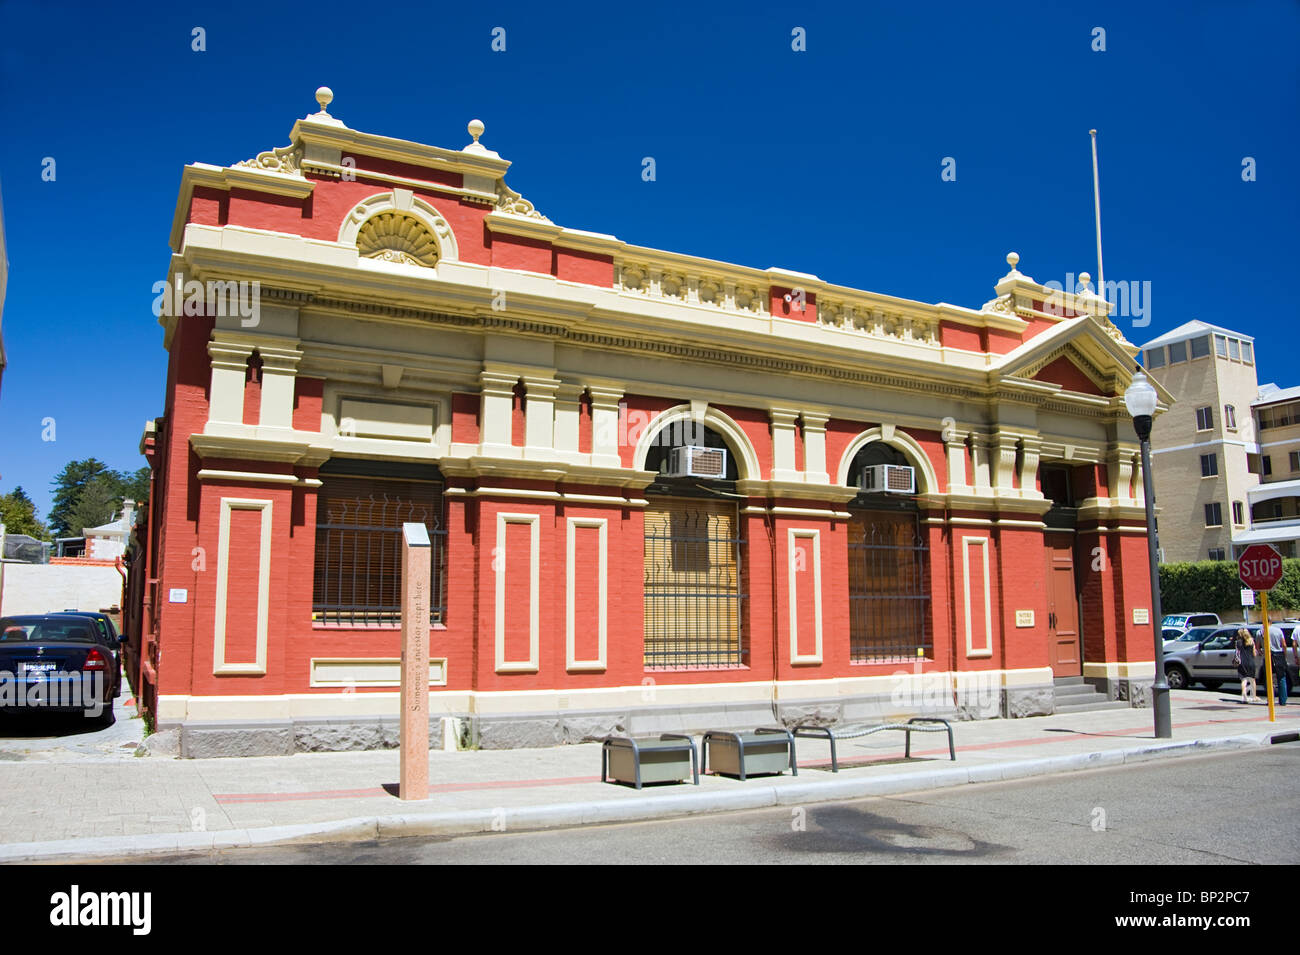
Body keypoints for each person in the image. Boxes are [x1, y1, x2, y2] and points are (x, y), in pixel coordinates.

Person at [1266, 621, 1290, 706]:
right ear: (1271, 622)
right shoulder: (1278, 630)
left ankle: (1270, 700)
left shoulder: (1261, 631)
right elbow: (1284, 644)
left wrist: (1261, 652)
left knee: (1269, 678)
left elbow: (1257, 646)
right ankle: (1283, 701)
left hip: (1268, 656)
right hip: (1279, 655)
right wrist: (1285, 655)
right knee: (1281, 678)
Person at [1236, 628, 1258, 703]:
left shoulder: (1238, 642)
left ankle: (1244, 695)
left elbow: (1237, 653)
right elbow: (1254, 653)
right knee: (1252, 680)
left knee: (1244, 679)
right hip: (1251, 662)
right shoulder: (1251, 641)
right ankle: (1254, 696)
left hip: (1242, 662)